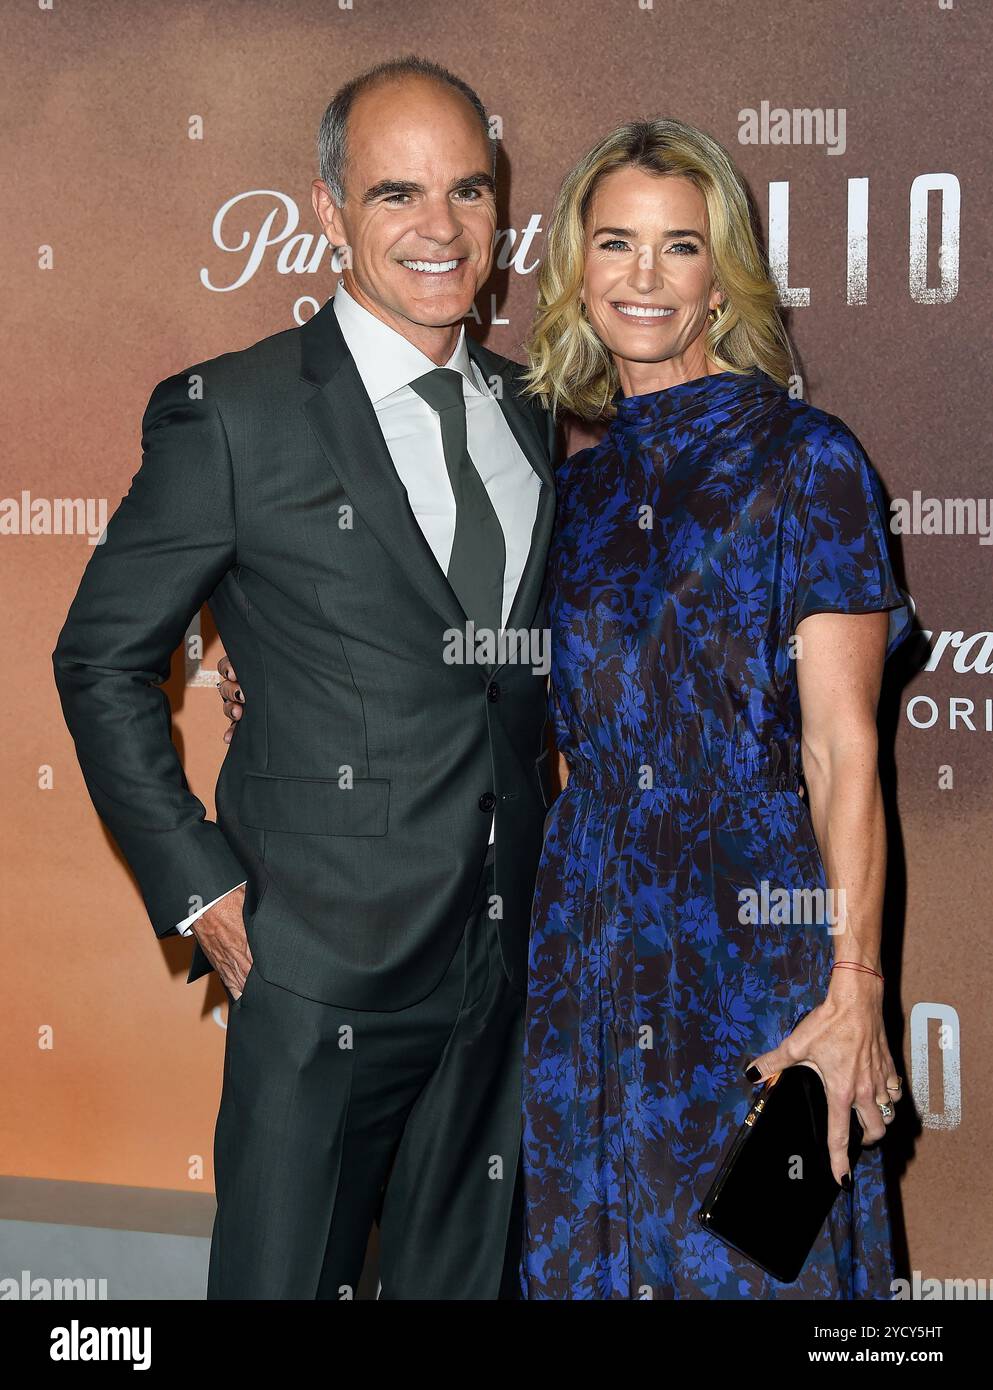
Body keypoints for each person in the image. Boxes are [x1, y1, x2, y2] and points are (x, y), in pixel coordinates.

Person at [52, 56, 556, 1300]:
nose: (440, 229)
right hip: (317, 956)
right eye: (396, 195)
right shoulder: (234, 414)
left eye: (470, 192)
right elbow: (101, 655)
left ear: (501, 210)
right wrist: (197, 881)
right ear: (327, 212)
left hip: (508, 967)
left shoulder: (536, 408)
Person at [514, 117, 911, 1298]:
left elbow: (843, 751)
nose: (644, 276)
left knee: (758, 1261)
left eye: (678, 247)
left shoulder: (808, 460)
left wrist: (856, 990)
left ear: (720, 274)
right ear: (576, 270)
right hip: (585, 942)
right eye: (616, 243)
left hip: (754, 941)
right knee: (598, 1256)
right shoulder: (570, 490)